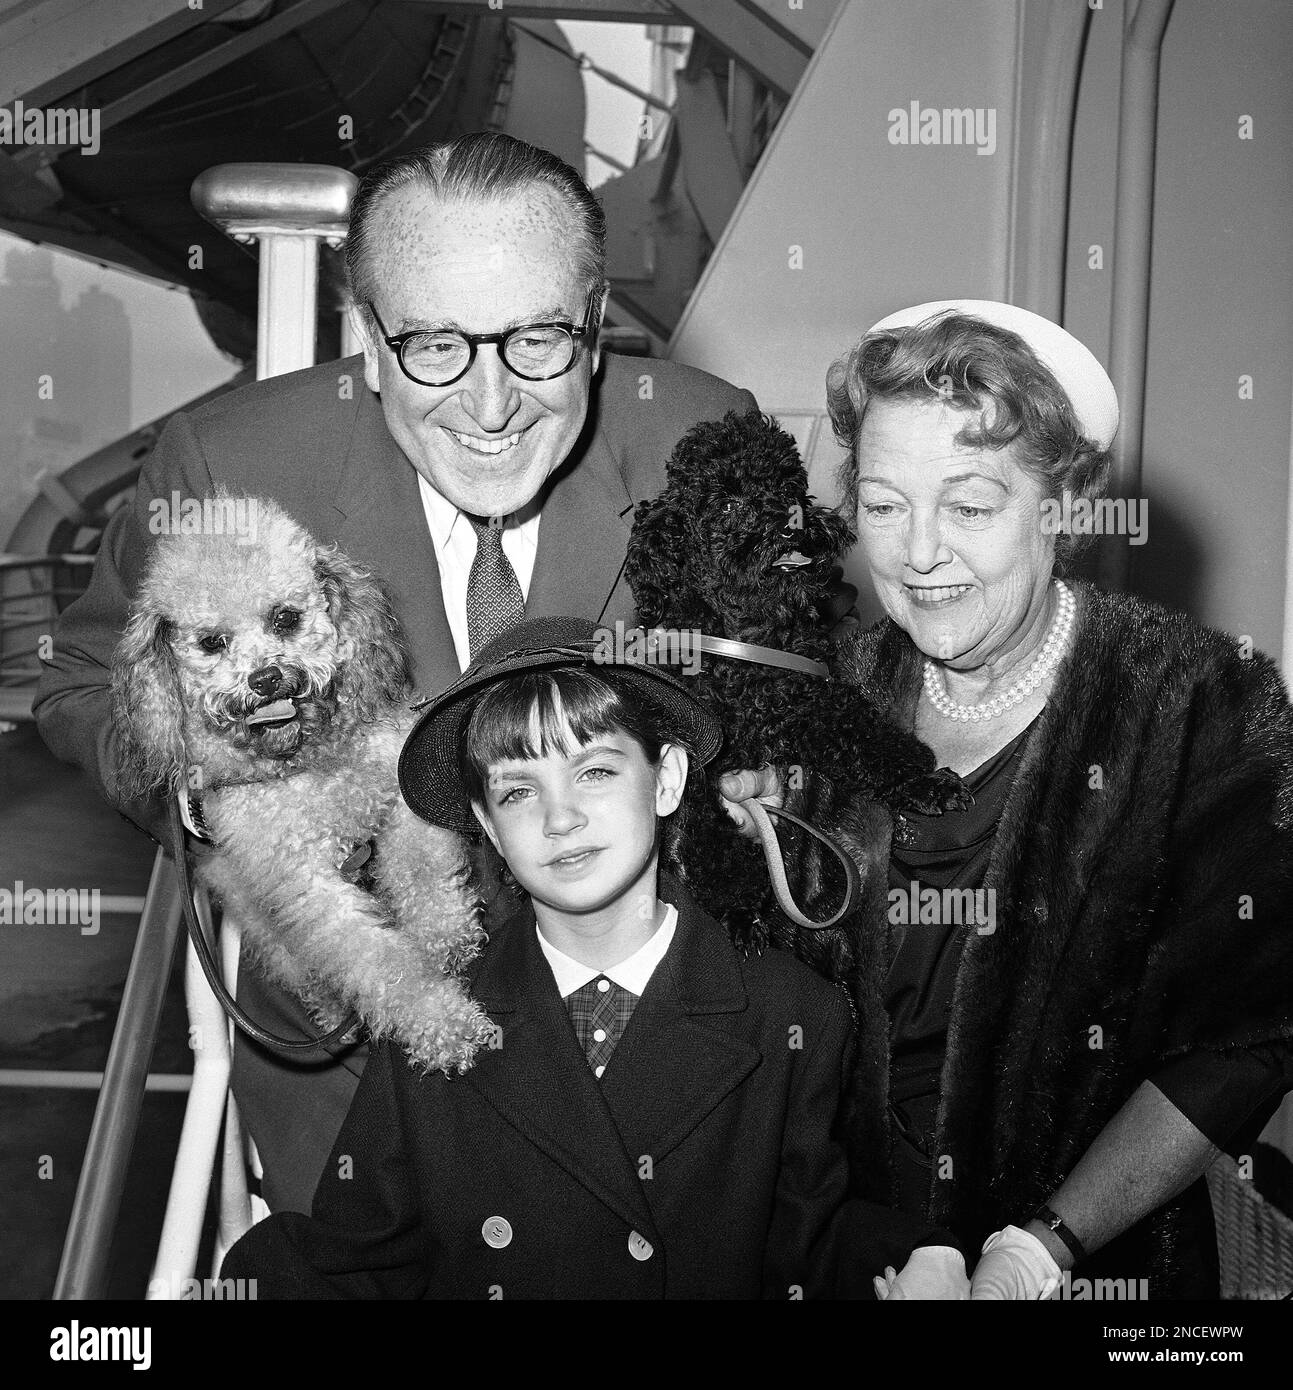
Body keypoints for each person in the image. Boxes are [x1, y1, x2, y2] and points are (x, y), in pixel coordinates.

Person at [33, 132, 771, 1214]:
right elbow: (79, 679)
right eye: (433, 344)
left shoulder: (706, 439)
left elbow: (790, 696)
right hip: (356, 1100)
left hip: (655, 1110)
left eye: (537, 340)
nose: (488, 405)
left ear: (598, 326)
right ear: (370, 342)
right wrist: (221, 783)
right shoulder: (226, 462)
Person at [220, 615, 966, 1298]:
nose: (561, 817)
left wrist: (921, 1254)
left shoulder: (789, 1012)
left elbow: (804, 1239)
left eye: (597, 772)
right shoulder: (435, 1019)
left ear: (667, 781)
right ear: (485, 820)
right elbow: (362, 1259)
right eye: (518, 792)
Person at [826, 299, 1293, 1300]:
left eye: (970, 504)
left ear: (1063, 507)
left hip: (1090, 1259)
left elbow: (1246, 1038)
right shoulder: (833, 693)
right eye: (883, 502)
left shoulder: (1197, 705)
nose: (917, 552)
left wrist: (1038, 1250)